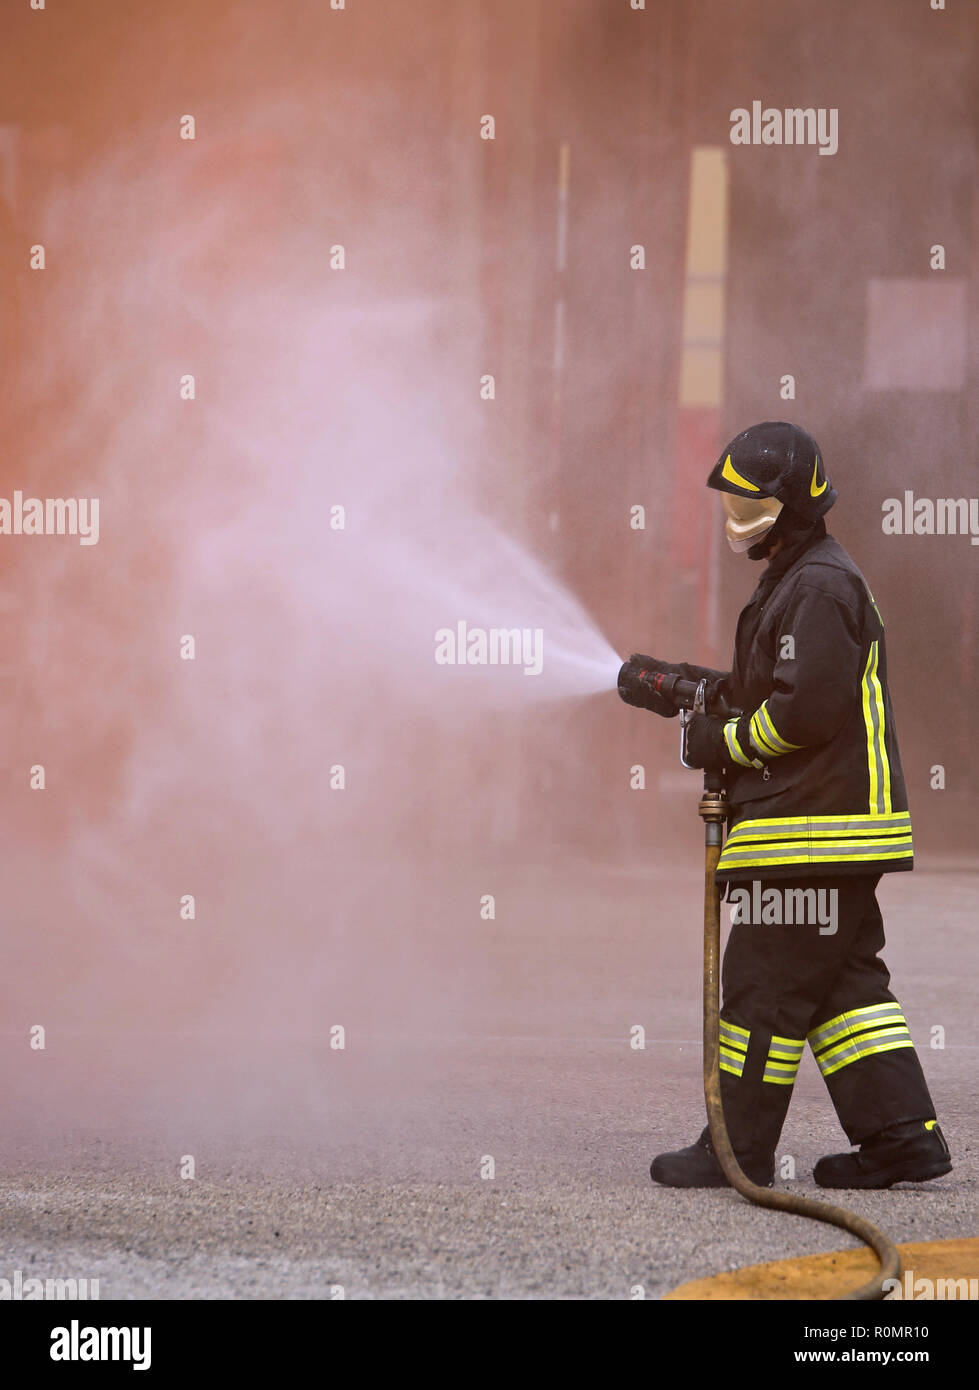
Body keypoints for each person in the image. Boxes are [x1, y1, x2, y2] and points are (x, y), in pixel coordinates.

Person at [624, 421, 951, 1189]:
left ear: (794, 501)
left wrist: (722, 745)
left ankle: (734, 1150)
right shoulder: (800, 578)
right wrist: (677, 688)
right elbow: (767, 690)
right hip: (828, 834)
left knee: (762, 988)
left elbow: (804, 714)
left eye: (752, 502)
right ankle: (901, 1137)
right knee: (843, 991)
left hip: (811, 830)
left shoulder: (816, 584)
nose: (739, 517)